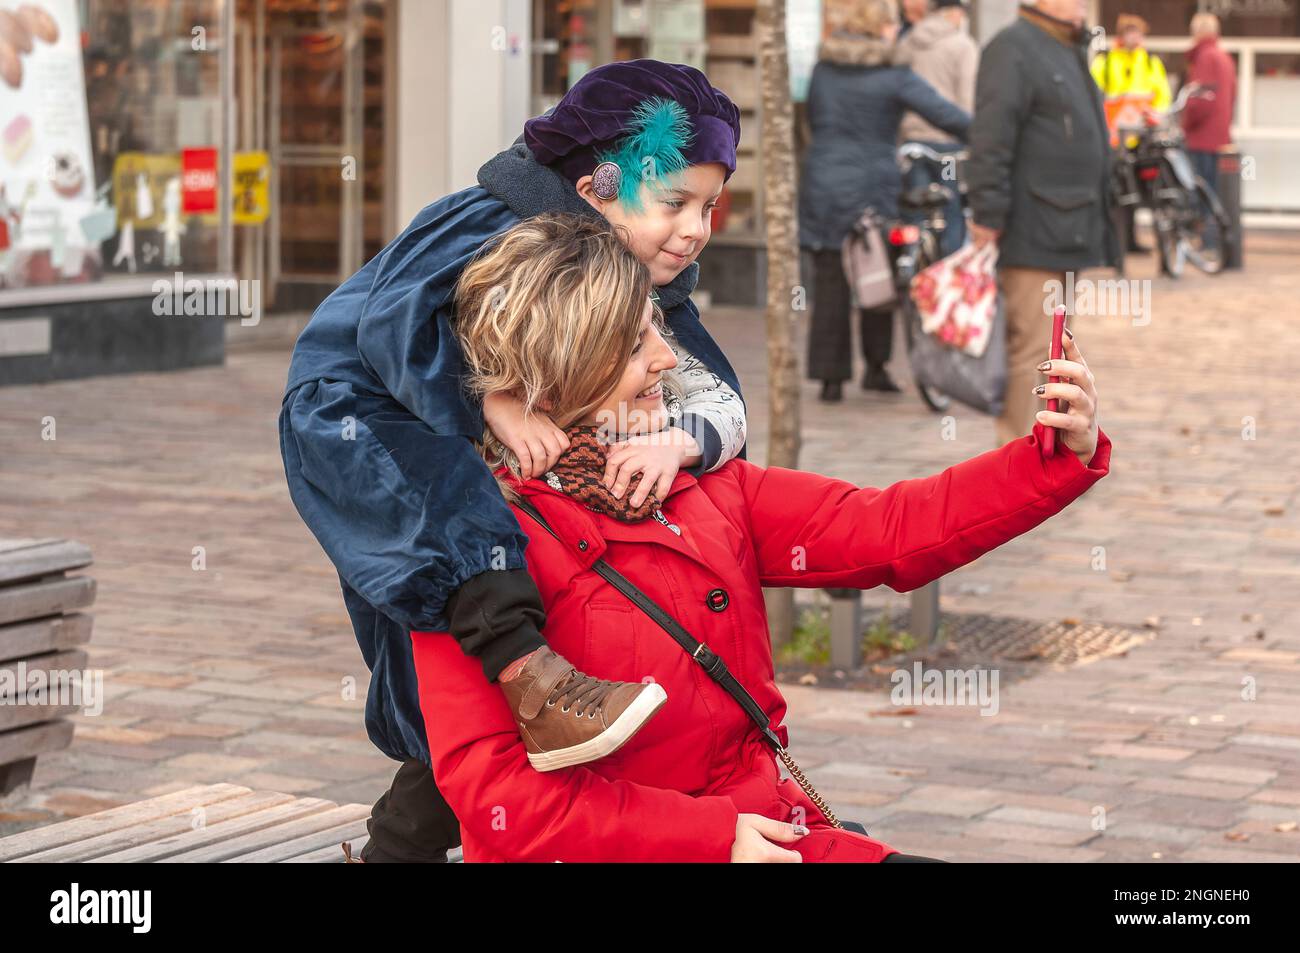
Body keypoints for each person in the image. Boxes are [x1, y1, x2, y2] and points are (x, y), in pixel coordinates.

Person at [418, 211, 1112, 863]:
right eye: (634, 344)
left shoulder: (702, 481)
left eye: (657, 328)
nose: (667, 357)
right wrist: (710, 837)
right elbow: (495, 791)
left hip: (774, 834)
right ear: (560, 371)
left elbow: (889, 528)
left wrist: (1053, 456)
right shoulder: (479, 541)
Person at [279, 61, 748, 862]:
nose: (695, 228)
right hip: (359, 408)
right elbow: (392, 321)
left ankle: (455, 796)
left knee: (470, 630)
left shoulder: (639, 274)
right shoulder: (488, 221)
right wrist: (490, 401)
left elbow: (722, 394)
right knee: (469, 560)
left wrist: (682, 438)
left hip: (449, 431)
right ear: (598, 187)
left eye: (710, 206)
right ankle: (511, 718)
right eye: (675, 203)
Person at [799, 0, 970, 403]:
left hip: (824, 180)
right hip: (874, 184)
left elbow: (812, 120)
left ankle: (830, 378)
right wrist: (990, 136)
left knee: (830, 277)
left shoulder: (823, 71)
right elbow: (947, 115)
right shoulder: (893, 76)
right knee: (876, 270)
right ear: (880, 26)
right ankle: (876, 368)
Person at [966, 0, 1118, 449]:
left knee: (1059, 352)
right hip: (1031, 230)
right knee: (1033, 351)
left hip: (1068, 226)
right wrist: (988, 213)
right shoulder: (1012, 48)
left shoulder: (1065, 46)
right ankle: (1017, 461)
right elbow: (991, 138)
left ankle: (1050, 452)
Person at [896, 0, 979, 256]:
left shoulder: (907, 41)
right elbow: (967, 99)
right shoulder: (962, 45)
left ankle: (910, 267)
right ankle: (946, 277)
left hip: (912, 143)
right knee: (951, 209)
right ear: (954, 13)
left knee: (915, 213)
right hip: (948, 147)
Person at [1090, 13, 1172, 253]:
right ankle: (1112, 242)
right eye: (1131, 32)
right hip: (1112, 139)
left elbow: (1162, 96)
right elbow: (1094, 96)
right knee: (1114, 192)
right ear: (1121, 35)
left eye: (1139, 33)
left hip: (1141, 138)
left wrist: (1153, 113)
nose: (1135, 37)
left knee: (1139, 192)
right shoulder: (1104, 63)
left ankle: (1131, 241)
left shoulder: (1149, 62)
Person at [1182, 12, 1236, 252]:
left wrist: (1185, 125)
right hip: (1219, 136)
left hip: (1201, 138)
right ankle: (1216, 240)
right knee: (1214, 191)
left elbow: (1200, 100)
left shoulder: (1205, 57)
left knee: (1201, 191)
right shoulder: (1225, 58)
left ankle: (1207, 241)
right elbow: (1231, 97)